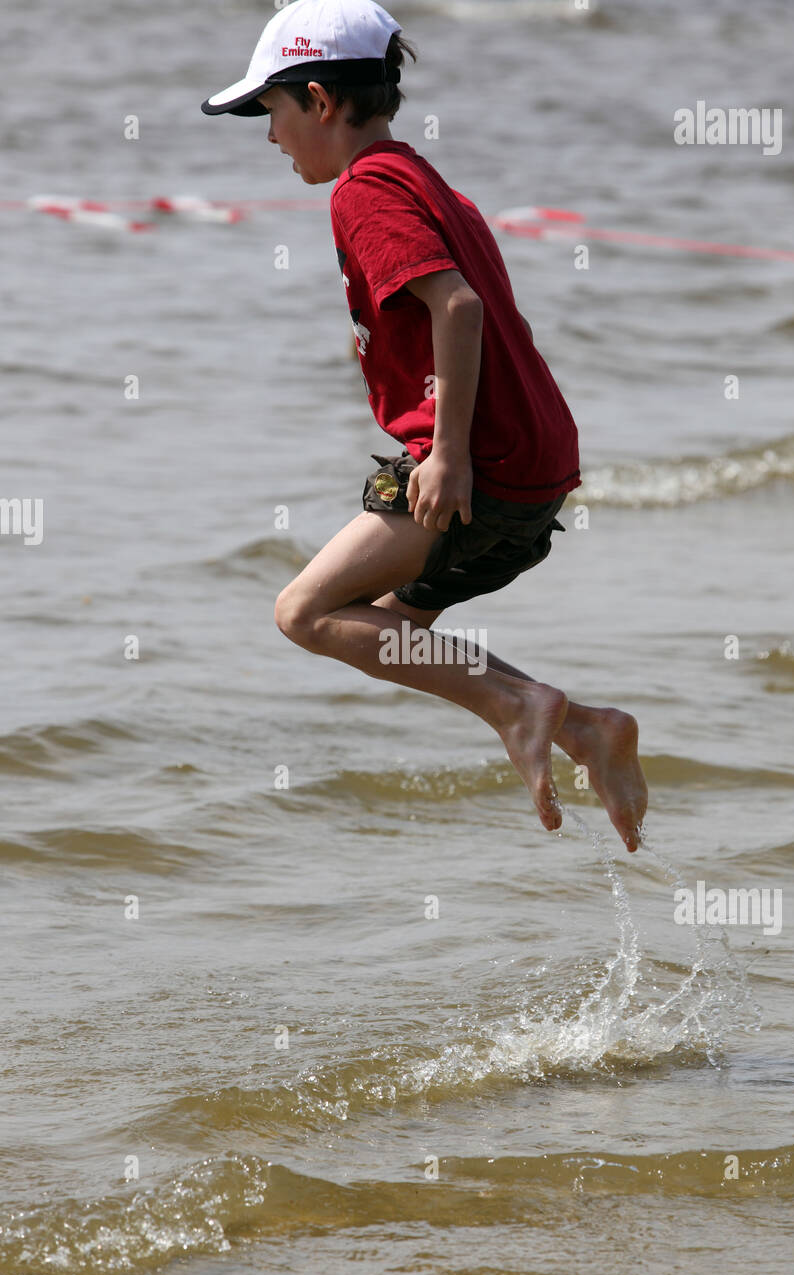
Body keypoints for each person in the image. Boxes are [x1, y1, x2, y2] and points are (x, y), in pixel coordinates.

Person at [202, 0, 647, 849]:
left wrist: (445, 457)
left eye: (273, 113)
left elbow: (461, 306)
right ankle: (582, 727)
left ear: (322, 102)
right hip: (538, 466)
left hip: (482, 462)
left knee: (303, 612)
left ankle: (521, 708)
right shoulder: (422, 177)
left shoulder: (364, 191)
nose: (270, 138)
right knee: (390, 631)